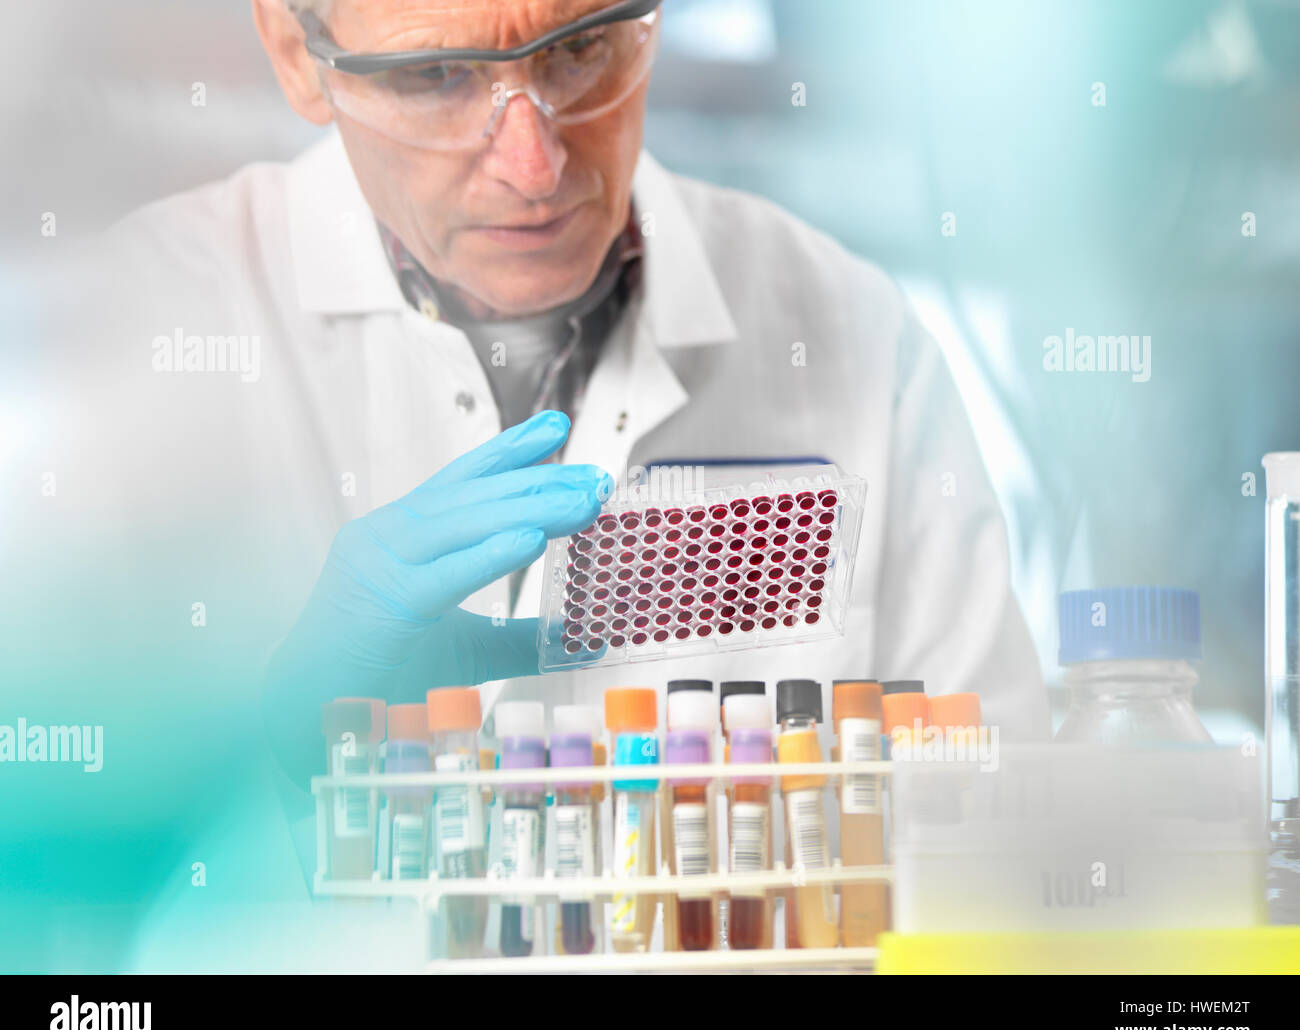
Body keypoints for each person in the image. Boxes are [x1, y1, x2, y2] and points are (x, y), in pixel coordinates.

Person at [82, 0, 1049, 796]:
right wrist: (276, 757)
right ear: (298, 53)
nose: (534, 165)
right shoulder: (146, 322)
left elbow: (1002, 854)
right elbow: (64, 901)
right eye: (438, 76)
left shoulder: (852, 333)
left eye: (581, 48)